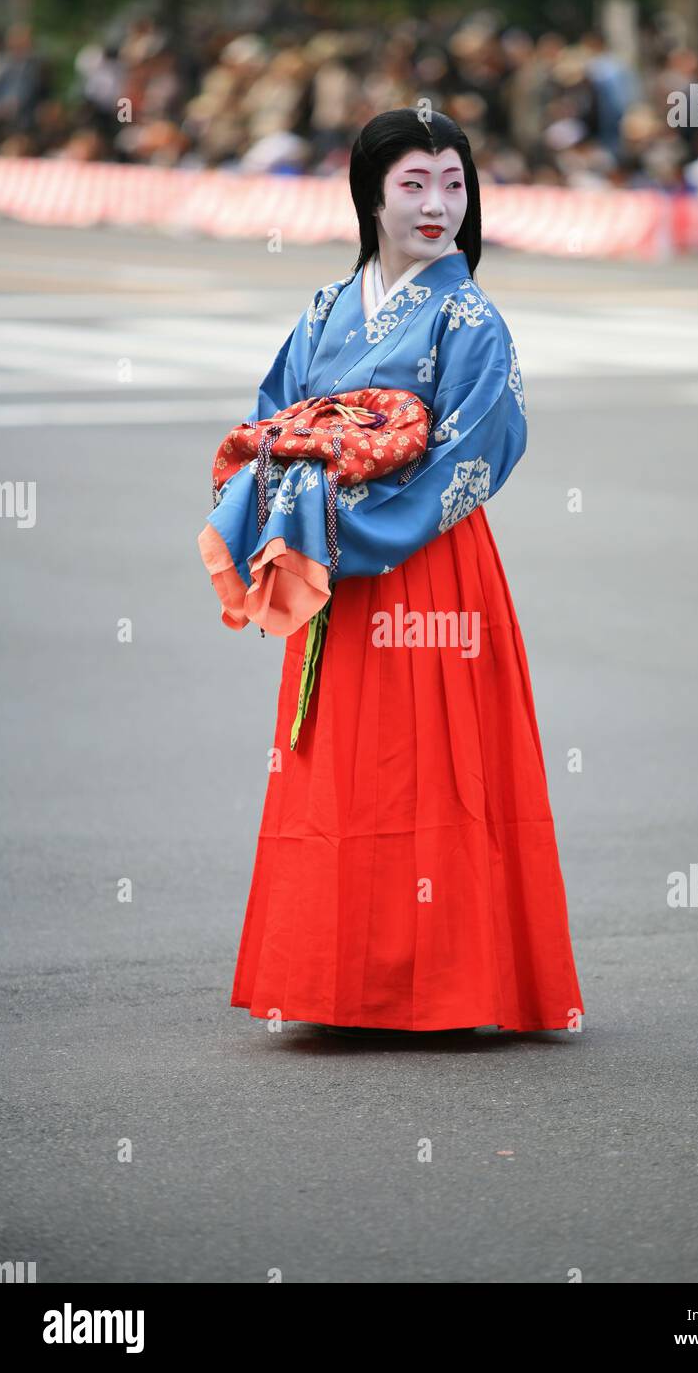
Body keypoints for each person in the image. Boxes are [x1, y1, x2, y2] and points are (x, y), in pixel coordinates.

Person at [210, 108, 584, 1038]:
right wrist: (299, 481)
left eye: (453, 183)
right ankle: (338, 979)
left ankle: (442, 982)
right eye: (414, 183)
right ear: (371, 194)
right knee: (343, 762)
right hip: (337, 544)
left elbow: (481, 448)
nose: (437, 205)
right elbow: (274, 415)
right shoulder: (327, 308)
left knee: (435, 764)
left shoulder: (470, 316)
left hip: (426, 560)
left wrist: (354, 517)